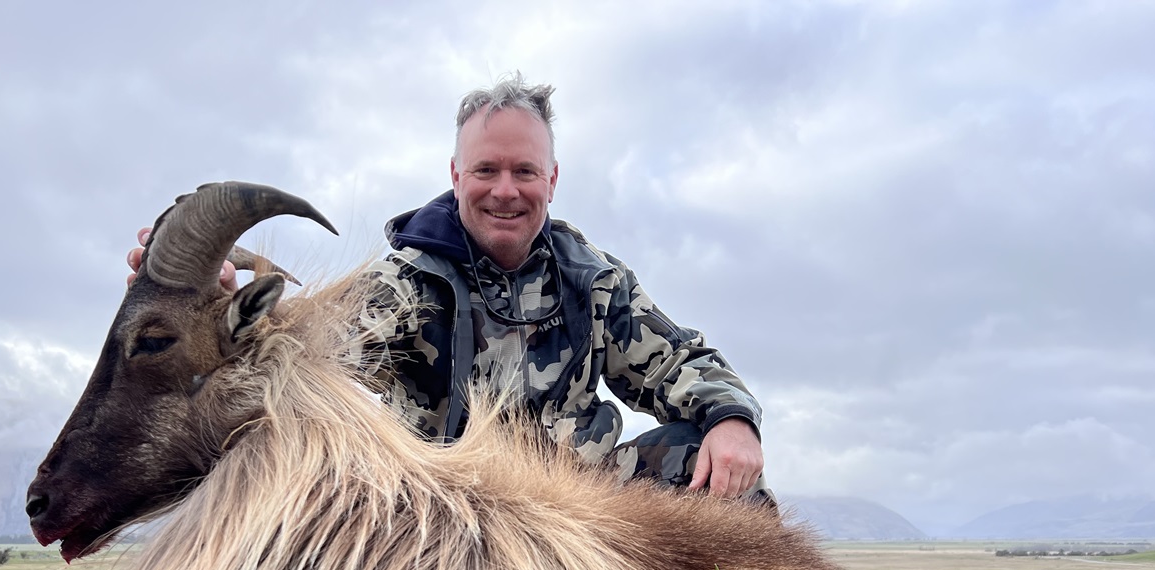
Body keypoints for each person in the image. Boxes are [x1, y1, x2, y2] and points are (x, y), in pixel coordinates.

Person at [129, 74, 770, 502]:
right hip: (457, 515)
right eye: (486, 169)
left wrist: (732, 418)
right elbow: (304, 347)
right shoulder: (408, 280)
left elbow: (681, 362)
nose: (505, 189)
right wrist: (213, 305)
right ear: (456, 175)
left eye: (524, 171)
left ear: (553, 179)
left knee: (709, 461)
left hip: (586, 501)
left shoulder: (595, 280)